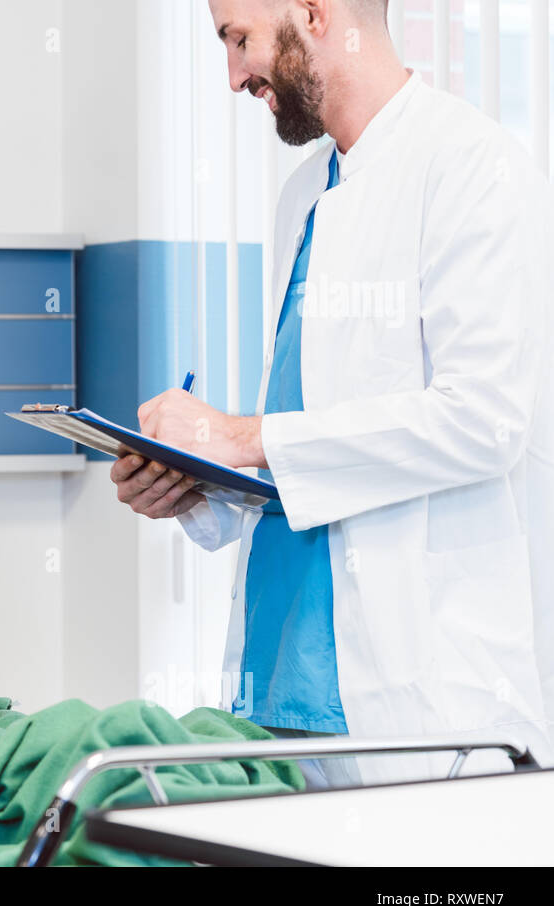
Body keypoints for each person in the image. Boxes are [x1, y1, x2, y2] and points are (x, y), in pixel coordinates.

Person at [111, 0, 554, 787]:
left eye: (237, 39)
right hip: (283, 675)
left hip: (420, 692)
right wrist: (194, 485)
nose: (233, 74)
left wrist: (239, 436)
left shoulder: (469, 164)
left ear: (313, 14)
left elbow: (484, 420)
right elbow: (306, 440)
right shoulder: (302, 197)